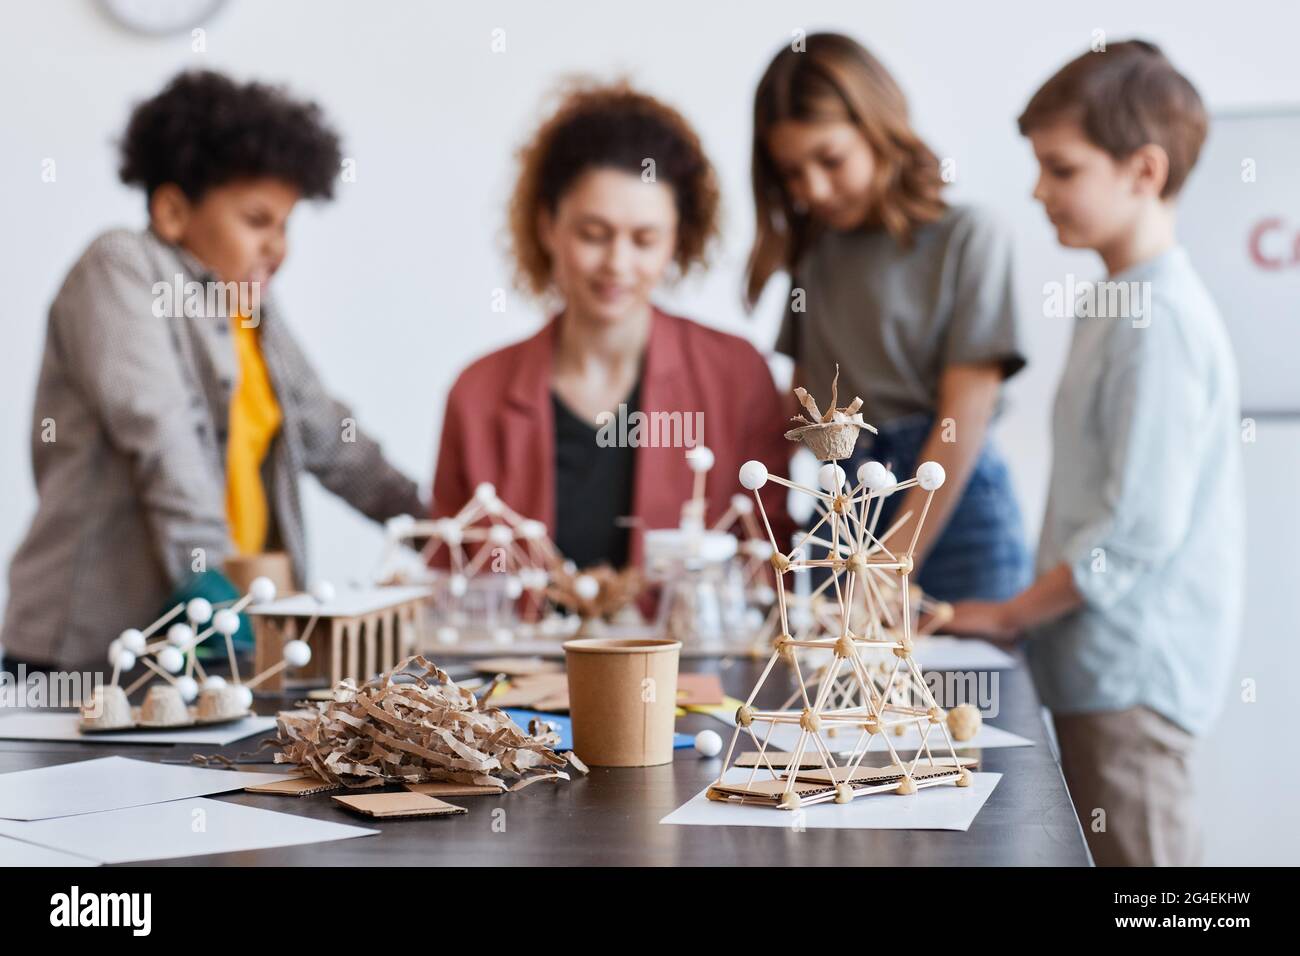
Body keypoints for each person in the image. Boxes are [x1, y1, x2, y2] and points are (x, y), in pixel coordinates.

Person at [1, 71, 422, 674]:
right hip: (91, 655)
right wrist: (217, 586)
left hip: (218, 645)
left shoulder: (251, 310)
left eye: (285, 225)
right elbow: (164, 437)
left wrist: (434, 526)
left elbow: (332, 439)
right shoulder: (118, 269)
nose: (278, 248)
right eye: (257, 220)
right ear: (173, 211)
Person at [946, 41, 1243, 867]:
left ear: (1144, 171)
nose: (1039, 190)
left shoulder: (1159, 323)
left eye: (1061, 169)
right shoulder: (1115, 303)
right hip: (1092, 672)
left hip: (1130, 684)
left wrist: (1007, 614)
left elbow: (1136, 531)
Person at [432, 81, 792, 570]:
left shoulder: (736, 376)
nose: (617, 263)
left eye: (644, 239)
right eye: (593, 234)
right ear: (547, 227)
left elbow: (771, 568)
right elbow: (452, 586)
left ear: (677, 241)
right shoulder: (477, 394)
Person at [747, 33, 1030, 602]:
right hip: (846, 504)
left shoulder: (968, 236)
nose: (814, 189)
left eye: (830, 160)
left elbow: (963, 418)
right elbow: (799, 405)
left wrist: (892, 558)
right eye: (793, 173)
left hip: (952, 509)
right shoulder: (814, 256)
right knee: (833, 685)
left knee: (964, 687)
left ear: (879, 128)